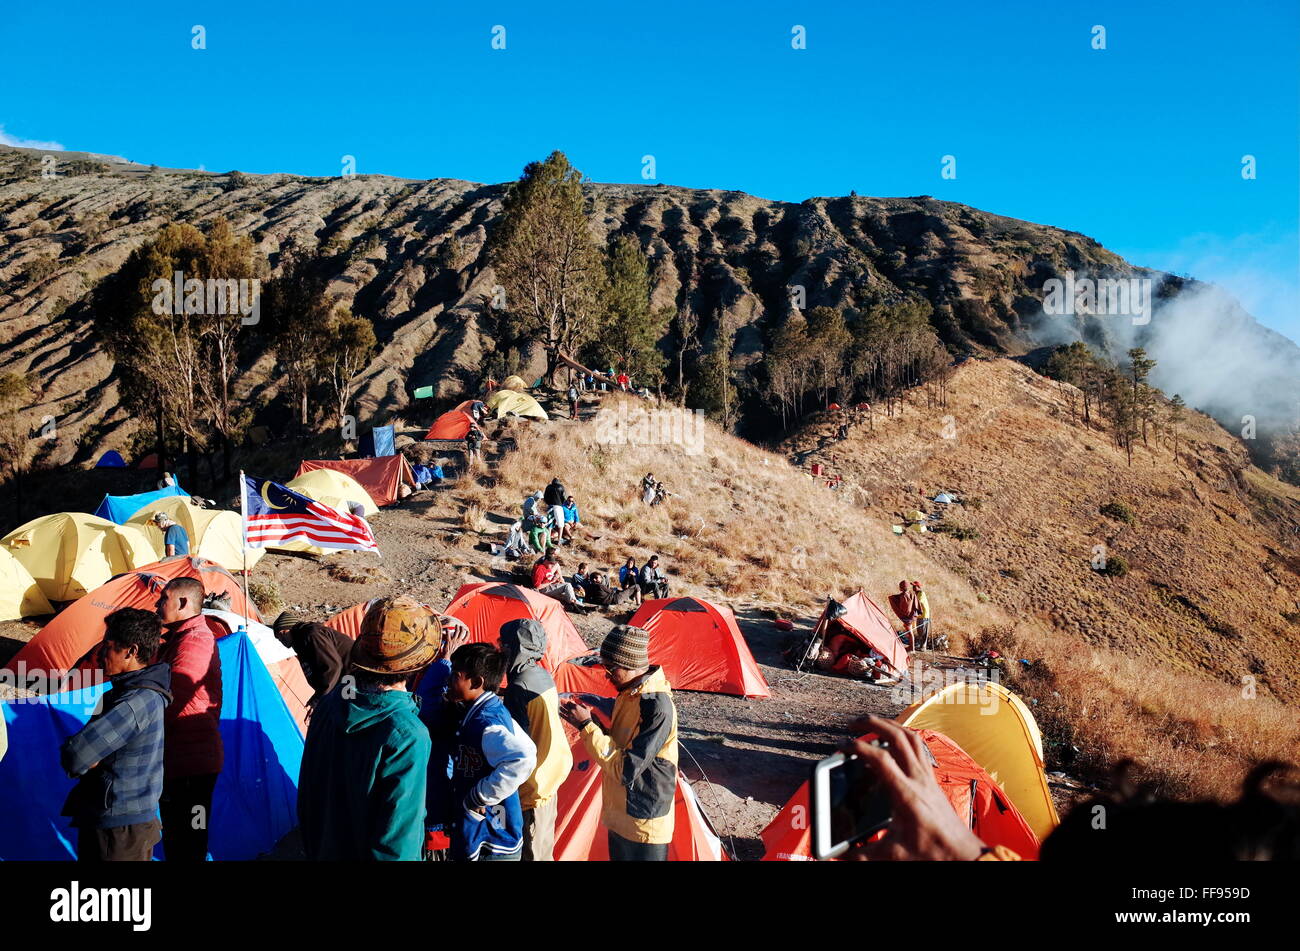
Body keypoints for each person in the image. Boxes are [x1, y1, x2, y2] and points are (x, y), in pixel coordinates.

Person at [298, 597, 440, 861]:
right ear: (419, 663)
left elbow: (308, 793)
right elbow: (399, 840)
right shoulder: (408, 734)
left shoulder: (330, 703)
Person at [60, 608, 171, 862]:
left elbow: (77, 755)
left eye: (108, 645)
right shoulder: (118, 694)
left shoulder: (135, 702)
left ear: (131, 651)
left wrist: (89, 754)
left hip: (119, 827)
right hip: (121, 819)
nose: (100, 654)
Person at [560, 625, 678, 860]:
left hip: (644, 822)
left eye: (611, 668)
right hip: (620, 813)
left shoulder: (655, 707)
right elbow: (622, 744)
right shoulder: (629, 693)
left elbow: (626, 769)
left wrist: (587, 727)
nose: (606, 674)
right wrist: (594, 723)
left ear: (631, 664)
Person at [429, 644, 537, 861]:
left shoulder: (486, 722)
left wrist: (480, 796)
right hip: (482, 831)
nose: (449, 680)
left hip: (492, 838)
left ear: (477, 682)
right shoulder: (485, 710)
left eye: (455, 675)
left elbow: (523, 758)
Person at [154, 577, 222, 862]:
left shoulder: (193, 642)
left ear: (182, 603)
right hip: (186, 759)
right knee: (181, 836)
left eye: (163, 599)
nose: (157, 604)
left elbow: (174, 698)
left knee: (187, 840)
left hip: (189, 764)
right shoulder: (182, 637)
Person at [499, 619, 572, 860]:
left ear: (514, 647)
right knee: (543, 847)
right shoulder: (540, 674)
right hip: (552, 773)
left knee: (531, 852)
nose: (499, 649)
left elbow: (516, 746)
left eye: (503, 644)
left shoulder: (518, 687)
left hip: (533, 785)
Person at [273, 610, 355, 709]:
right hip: (345, 681)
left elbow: (332, 667)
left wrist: (318, 699)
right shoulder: (301, 645)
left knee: (348, 715)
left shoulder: (311, 635)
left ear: (292, 628)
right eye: (278, 638)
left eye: (283, 633)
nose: (281, 639)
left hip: (353, 677)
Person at [888, 580, 919, 650]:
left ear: (901, 587)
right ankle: (911, 647)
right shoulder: (911, 594)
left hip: (907, 617)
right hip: (912, 616)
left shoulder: (904, 596)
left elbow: (905, 608)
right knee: (910, 632)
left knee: (910, 632)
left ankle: (912, 648)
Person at [911, 581, 932, 649]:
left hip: (924, 615)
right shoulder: (916, 594)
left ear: (918, 587)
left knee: (923, 632)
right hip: (919, 615)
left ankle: (923, 646)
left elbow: (918, 602)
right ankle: (921, 645)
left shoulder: (921, 593)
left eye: (914, 586)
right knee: (919, 631)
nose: (913, 587)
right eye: (913, 586)